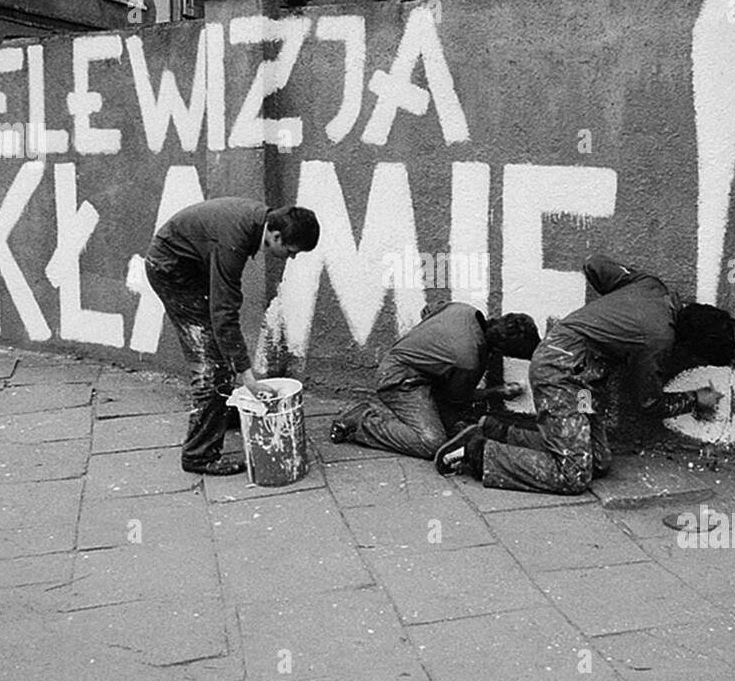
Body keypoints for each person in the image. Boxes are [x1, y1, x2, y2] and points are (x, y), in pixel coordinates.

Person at [435, 253, 735, 495]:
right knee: (573, 475)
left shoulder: (652, 286)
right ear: (690, 344)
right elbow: (649, 404)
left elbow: (594, 264)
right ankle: (474, 452)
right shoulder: (658, 341)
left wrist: (616, 311)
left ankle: (495, 430)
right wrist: (695, 399)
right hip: (560, 373)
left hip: (582, 388)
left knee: (598, 460)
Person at [144, 198, 319, 476]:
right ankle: (198, 455)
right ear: (275, 235)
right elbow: (223, 314)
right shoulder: (233, 242)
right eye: (290, 250)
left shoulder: (258, 221)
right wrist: (249, 379)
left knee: (219, 353)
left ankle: (221, 415)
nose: (291, 257)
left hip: (188, 264)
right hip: (171, 272)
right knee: (211, 367)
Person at [328, 302, 540, 459]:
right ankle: (362, 422)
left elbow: (428, 309)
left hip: (410, 370)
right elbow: (457, 398)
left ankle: (409, 417)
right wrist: (498, 392)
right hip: (399, 382)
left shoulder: (465, 310)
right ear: (499, 350)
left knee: (456, 425)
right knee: (432, 443)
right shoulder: (469, 359)